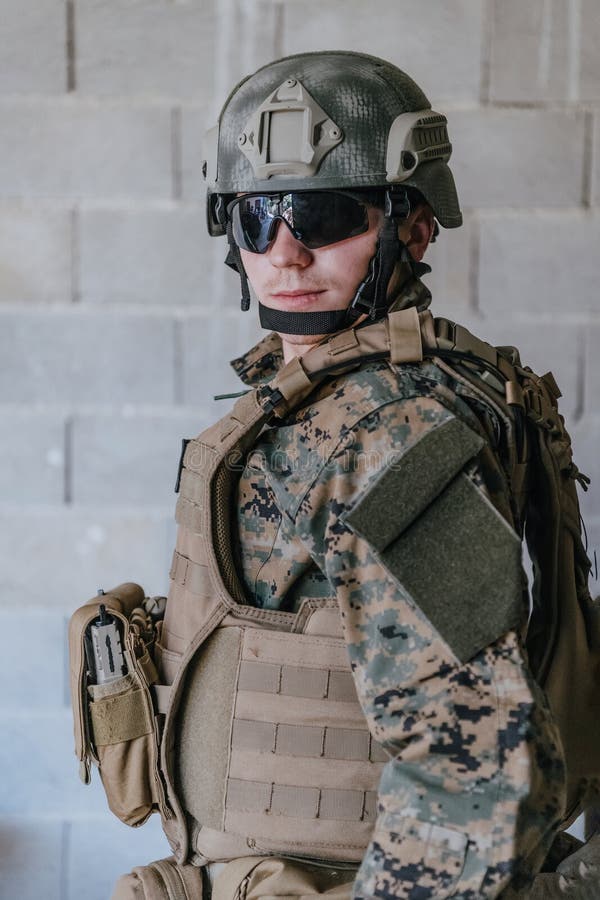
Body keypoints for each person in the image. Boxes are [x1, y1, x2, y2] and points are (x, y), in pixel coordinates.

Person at [101, 51, 600, 899]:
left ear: (415, 227)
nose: (285, 254)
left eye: (323, 216)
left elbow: (480, 765)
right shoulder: (317, 398)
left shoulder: (391, 432)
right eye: (257, 218)